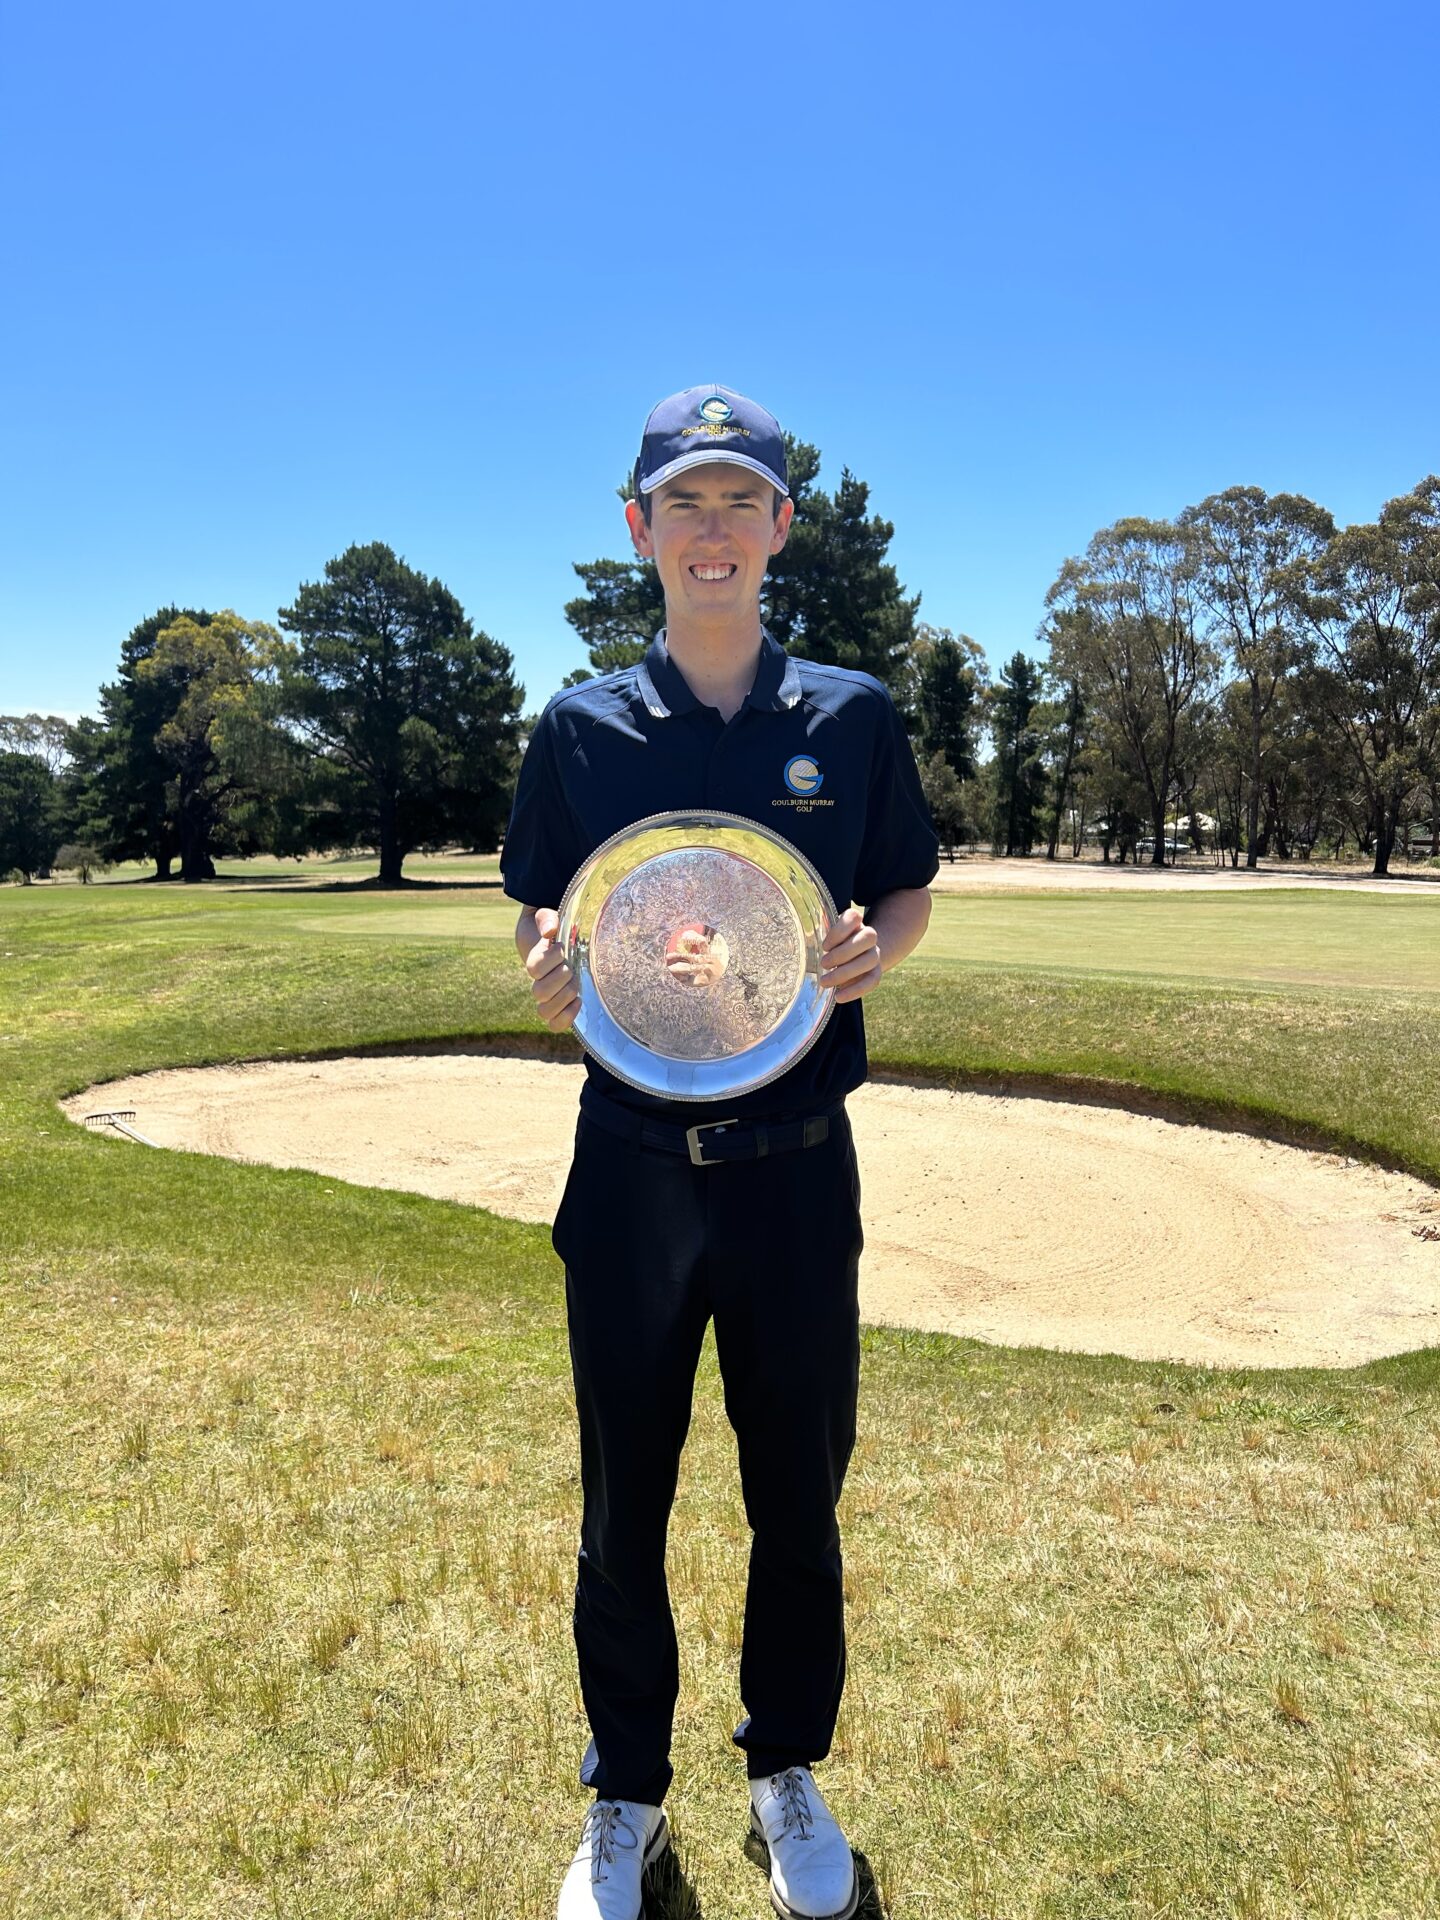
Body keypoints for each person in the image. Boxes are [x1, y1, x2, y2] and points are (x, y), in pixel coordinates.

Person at [501, 385, 938, 1920]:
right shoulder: (581, 726)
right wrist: (549, 956)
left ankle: (784, 1774)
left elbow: (900, 887)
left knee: (796, 1497)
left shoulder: (854, 717)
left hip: (796, 1162)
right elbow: (547, 902)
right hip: (626, 1167)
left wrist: (878, 947)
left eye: (737, 502)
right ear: (640, 530)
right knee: (626, 1497)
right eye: (680, 504)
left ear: (780, 529)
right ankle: (626, 1800)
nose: (709, 530)